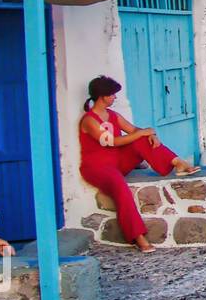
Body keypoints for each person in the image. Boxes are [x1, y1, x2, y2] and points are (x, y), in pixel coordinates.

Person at [79, 76, 199, 254]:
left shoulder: (113, 115)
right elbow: (111, 141)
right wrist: (142, 133)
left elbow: (134, 131)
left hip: (116, 162)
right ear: (102, 96)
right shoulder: (89, 120)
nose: (115, 98)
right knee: (120, 186)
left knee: (141, 138)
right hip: (97, 168)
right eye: (112, 94)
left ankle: (177, 162)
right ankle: (138, 236)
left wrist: (150, 134)